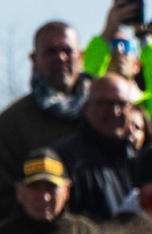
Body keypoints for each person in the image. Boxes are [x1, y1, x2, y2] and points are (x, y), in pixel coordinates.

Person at [0, 22, 89, 224]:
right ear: (34, 60)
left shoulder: (104, 114)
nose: (60, 58)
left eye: (67, 50)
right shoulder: (10, 124)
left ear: (81, 57)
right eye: (50, 52)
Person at [54, 75, 145, 221]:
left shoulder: (136, 158)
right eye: (104, 104)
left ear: (130, 109)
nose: (114, 112)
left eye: (121, 104)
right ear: (86, 108)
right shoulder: (65, 159)